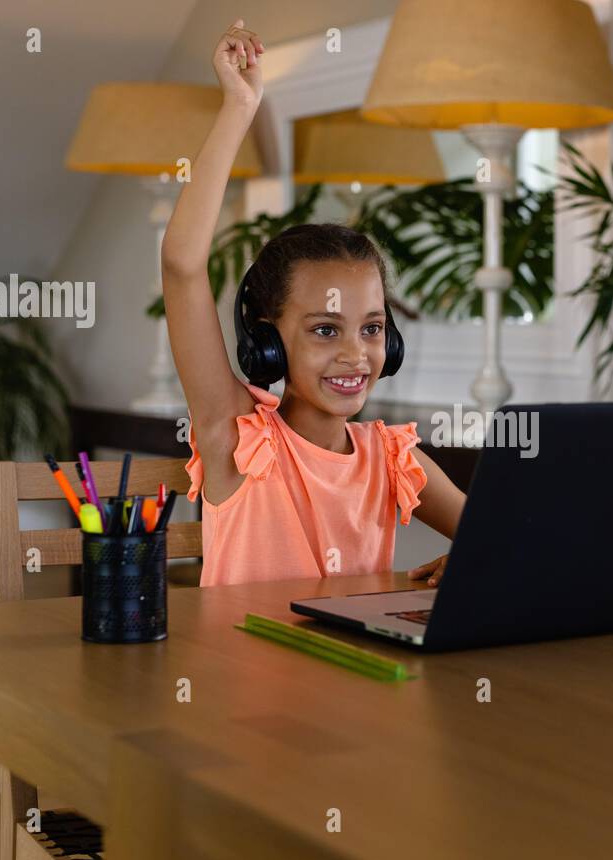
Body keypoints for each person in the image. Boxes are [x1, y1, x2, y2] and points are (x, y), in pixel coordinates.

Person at [160, 19, 465, 588]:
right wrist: (241, 106)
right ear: (269, 339)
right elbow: (181, 265)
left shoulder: (394, 459)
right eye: (326, 330)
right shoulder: (238, 437)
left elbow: (501, 540)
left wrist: (477, 559)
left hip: (355, 674)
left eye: (372, 328)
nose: (356, 354)